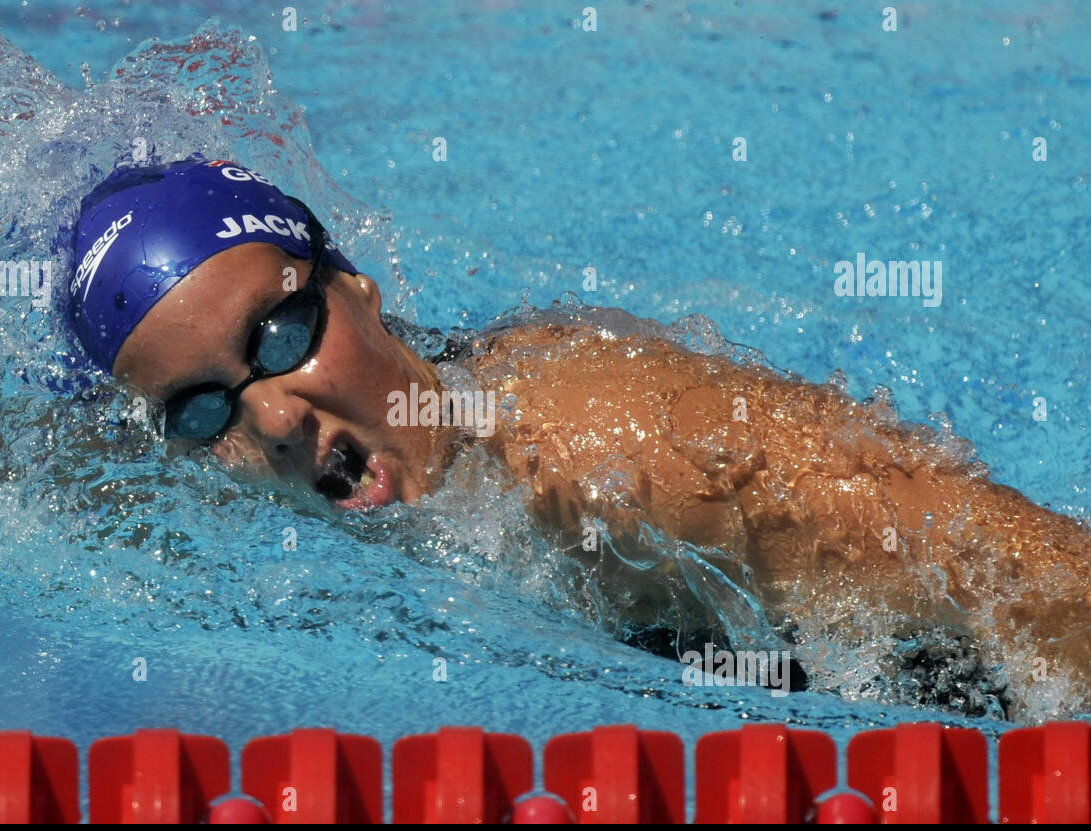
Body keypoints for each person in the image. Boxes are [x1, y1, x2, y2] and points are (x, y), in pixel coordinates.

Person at [68, 157, 1091, 710]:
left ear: (359, 289)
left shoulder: (624, 450)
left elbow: (1031, 570)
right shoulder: (224, 479)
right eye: (202, 405)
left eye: (282, 333)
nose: (277, 419)